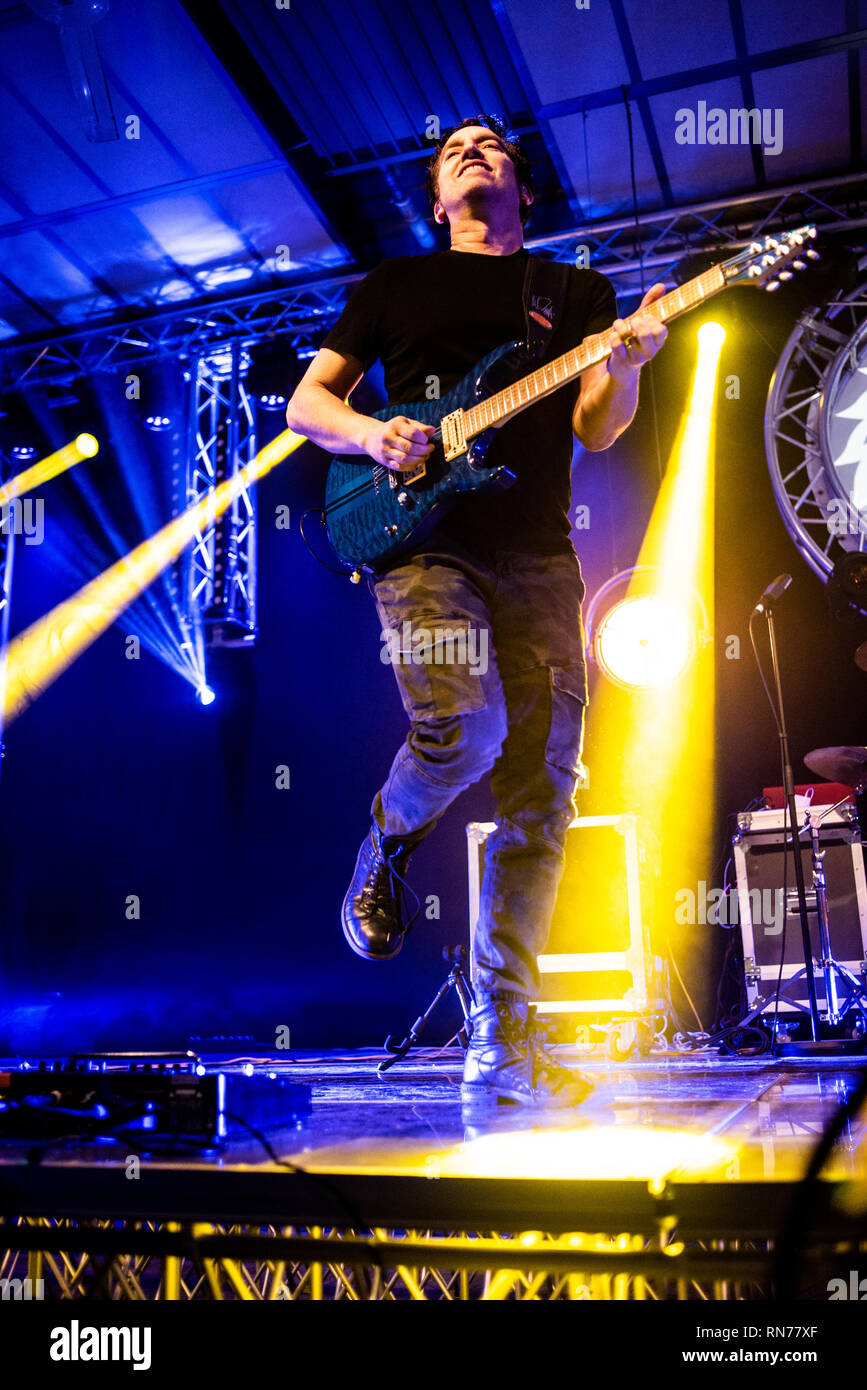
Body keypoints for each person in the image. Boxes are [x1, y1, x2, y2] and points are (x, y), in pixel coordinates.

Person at [286, 115, 667, 1108]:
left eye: (494, 143)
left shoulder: (574, 293)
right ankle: (386, 838)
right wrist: (378, 438)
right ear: (433, 193)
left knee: (546, 791)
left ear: (523, 192)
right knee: (465, 725)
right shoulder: (392, 287)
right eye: (455, 146)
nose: (474, 147)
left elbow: (598, 423)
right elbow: (308, 406)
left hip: (539, 553)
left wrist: (623, 363)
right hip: (420, 544)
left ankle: (504, 1029)